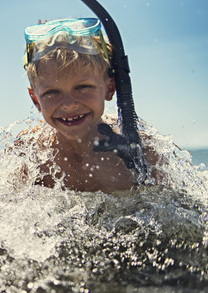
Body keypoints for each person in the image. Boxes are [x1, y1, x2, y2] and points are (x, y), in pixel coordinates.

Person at [21, 18, 158, 192]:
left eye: (82, 87)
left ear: (110, 88)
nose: (68, 105)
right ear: (35, 100)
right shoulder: (30, 153)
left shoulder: (142, 153)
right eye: (51, 92)